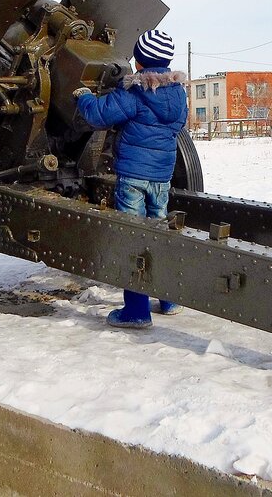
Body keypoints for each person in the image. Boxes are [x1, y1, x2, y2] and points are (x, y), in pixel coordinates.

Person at [73, 29, 188, 328]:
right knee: (158, 234)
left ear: (139, 62)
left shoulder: (135, 91)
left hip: (134, 178)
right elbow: (175, 127)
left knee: (133, 238)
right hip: (161, 178)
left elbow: (99, 116)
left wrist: (84, 97)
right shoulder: (179, 94)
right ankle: (169, 299)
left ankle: (136, 311)